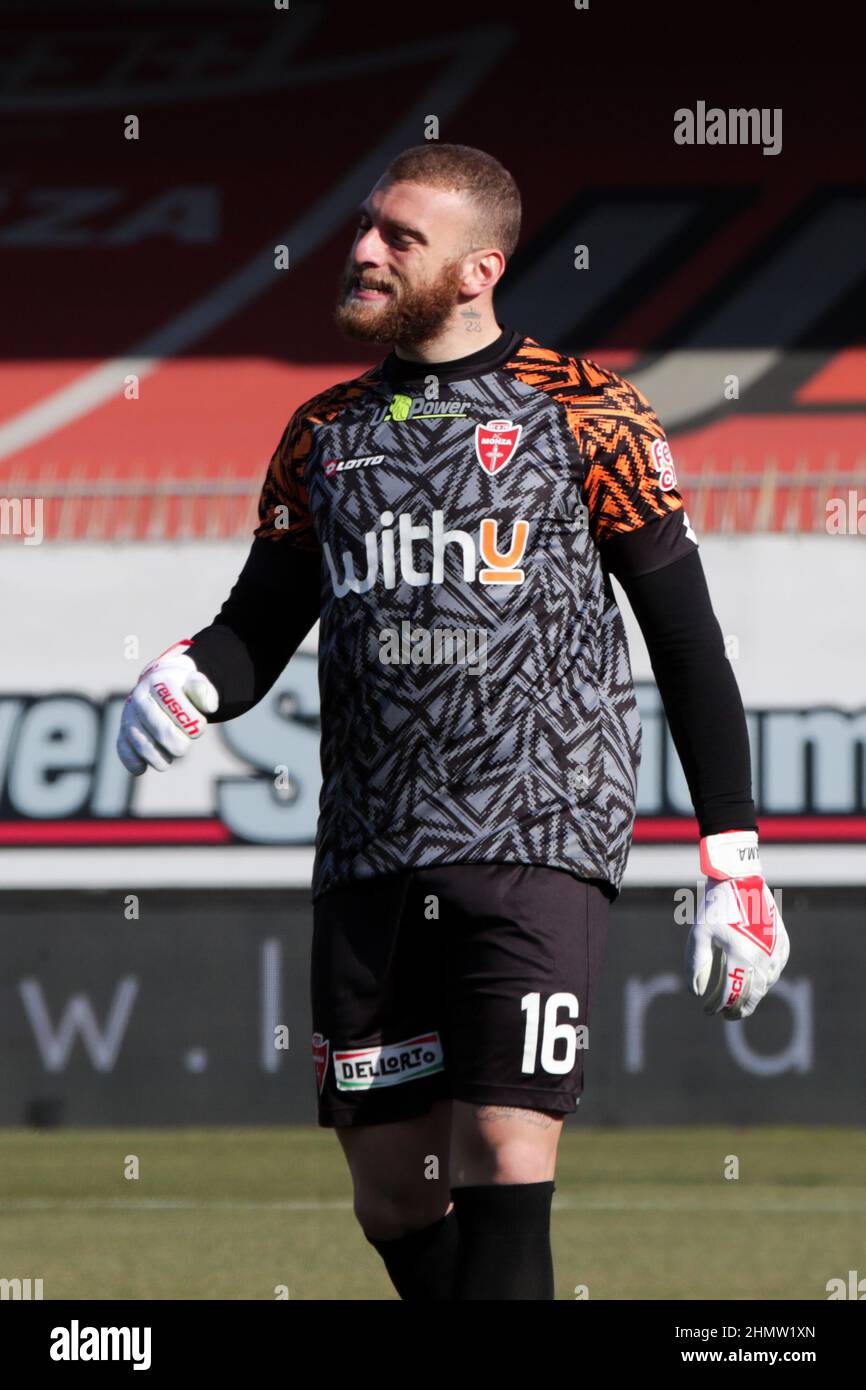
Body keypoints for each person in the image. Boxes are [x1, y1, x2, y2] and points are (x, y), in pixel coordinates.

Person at [117, 143, 789, 1301]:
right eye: (364, 227)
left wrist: (730, 861)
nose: (364, 251)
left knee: (501, 1150)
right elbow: (259, 623)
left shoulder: (590, 413)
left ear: (478, 269)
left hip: (540, 830)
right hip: (372, 844)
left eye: (397, 238)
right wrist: (190, 675)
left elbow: (685, 640)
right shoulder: (320, 432)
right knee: (393, 1191)